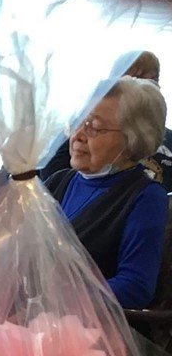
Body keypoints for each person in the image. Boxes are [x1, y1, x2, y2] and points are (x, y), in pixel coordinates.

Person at [44, 76, 169, 309]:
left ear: (132, 139)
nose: (78, 135)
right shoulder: (58, 181)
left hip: (87, 330)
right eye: (79, 121)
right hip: (38, 315)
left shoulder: (146, 197)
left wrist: (63, 299)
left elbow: (136, 287)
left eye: (94, 127)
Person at [40, 52, 172, 189]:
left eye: (151, 80)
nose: (139, 86)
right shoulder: (78, 131)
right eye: (130, 78)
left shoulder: (147, 194)